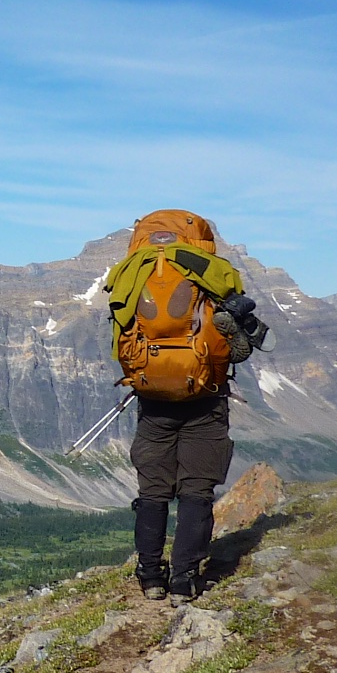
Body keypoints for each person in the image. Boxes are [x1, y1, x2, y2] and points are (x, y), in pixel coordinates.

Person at [100, 209, 267, 602]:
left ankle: (150, 575)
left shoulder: (128, 272)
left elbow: (118, 332)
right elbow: (240, 329)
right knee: (197, 489)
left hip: (151, 396)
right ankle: (184, 579)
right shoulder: (213, 270)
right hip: (206, 397)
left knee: (153, 489)